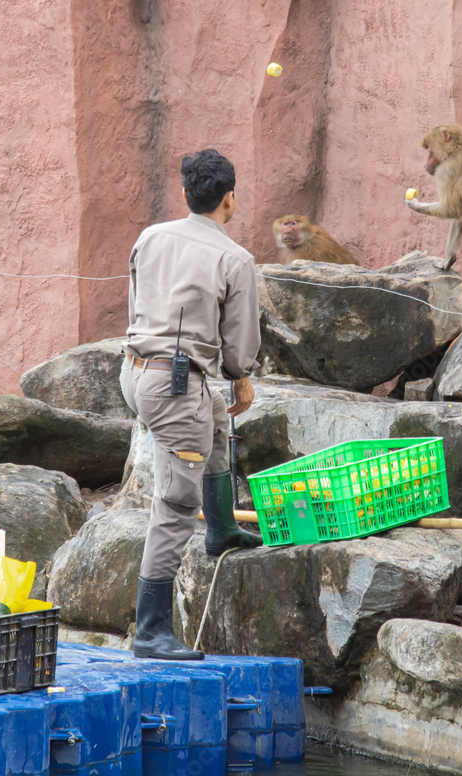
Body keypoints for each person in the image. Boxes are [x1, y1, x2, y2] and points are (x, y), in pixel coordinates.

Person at [120, 148, 264, 660]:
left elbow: (137, 302)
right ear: (230, 199)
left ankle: (222, 529)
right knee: (177, 503)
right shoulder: (235, 259)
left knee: (216, 425)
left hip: (136, 373)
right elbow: (239, 341)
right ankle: (151, 629)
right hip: (176, 386)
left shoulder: (149, 236)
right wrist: (241, 376)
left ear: (184, 194)